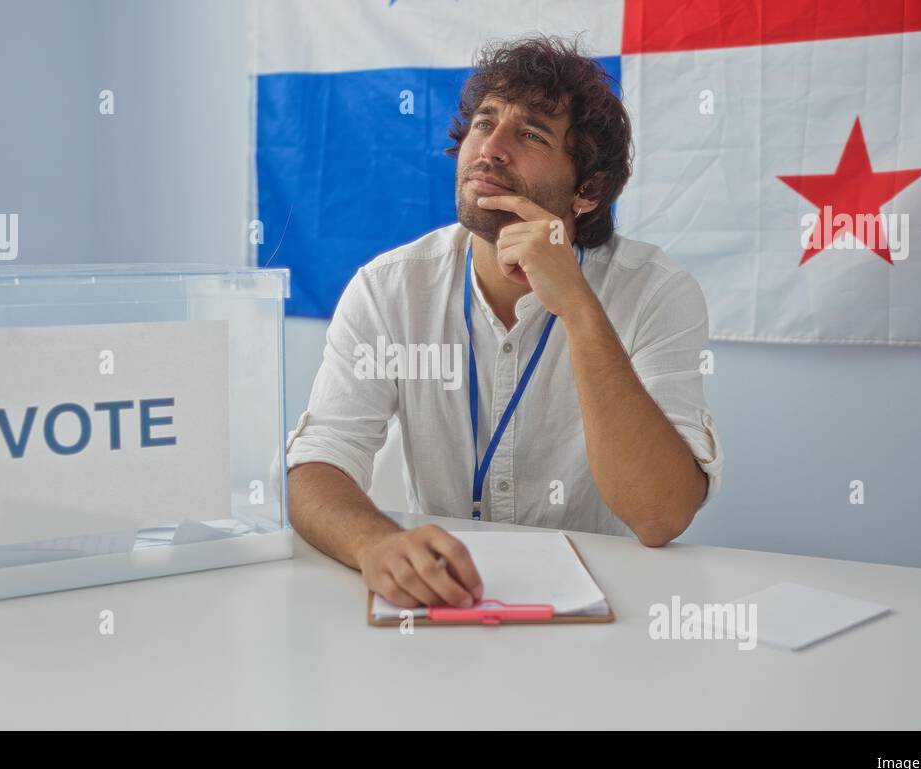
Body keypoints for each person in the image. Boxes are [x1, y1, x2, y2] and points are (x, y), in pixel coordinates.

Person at [285, 35, 724, 609]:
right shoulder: (389, 286)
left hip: (608, 612)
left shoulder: (656, 291)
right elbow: (316, 462)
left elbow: (661, 515)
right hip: (440, 604)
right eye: (483, 123)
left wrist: (580, 308)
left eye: (531, 133)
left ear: (587, 190)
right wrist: (376, 546)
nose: (490, 148)